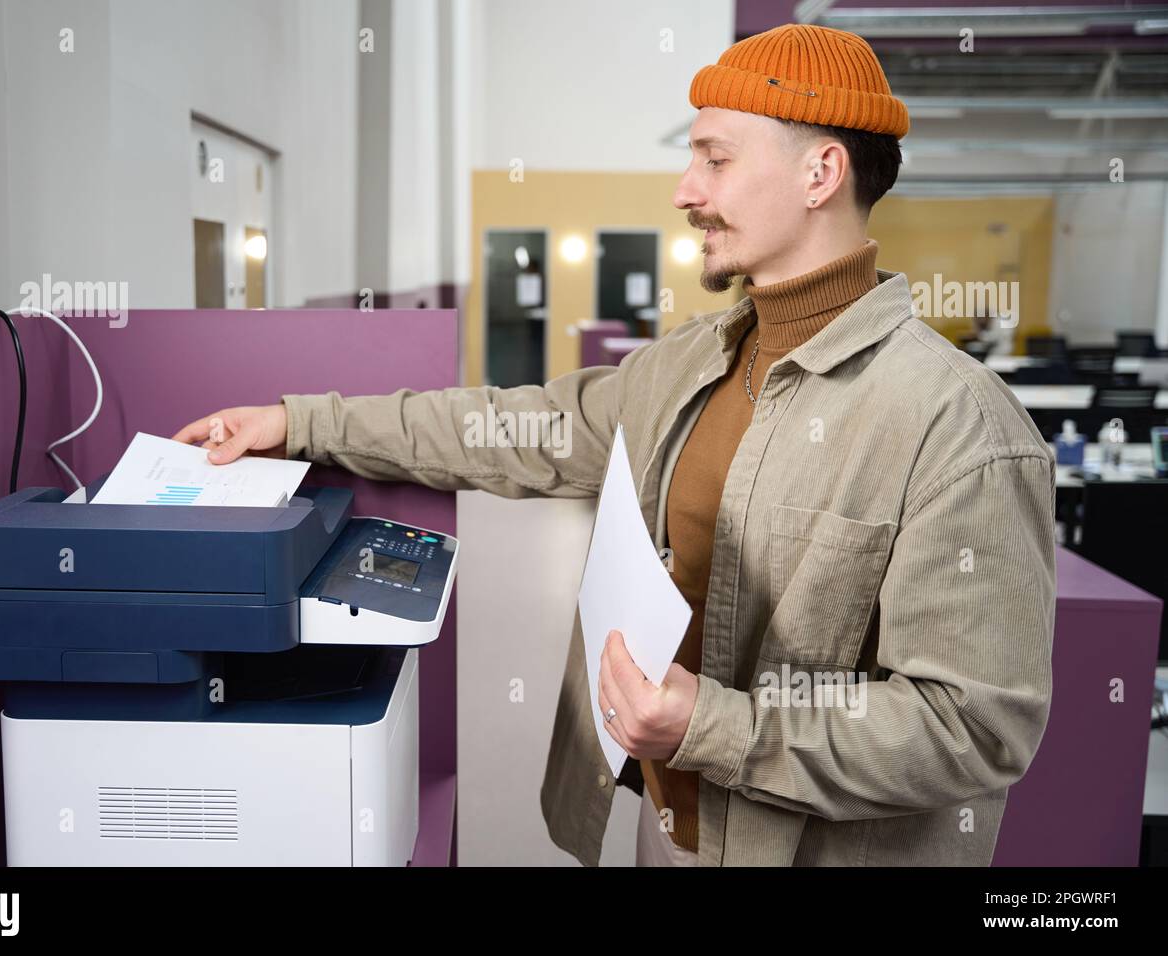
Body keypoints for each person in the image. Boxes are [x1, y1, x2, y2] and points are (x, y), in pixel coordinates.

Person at [174, 23, 1056, 868]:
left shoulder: (959, 427)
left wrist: (710, 728)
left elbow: (973, 727)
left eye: (715, 158)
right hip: (666, 824)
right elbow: (507, 429)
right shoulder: (684, 364)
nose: (685, 188)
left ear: (821, 171)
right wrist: (299, 424)